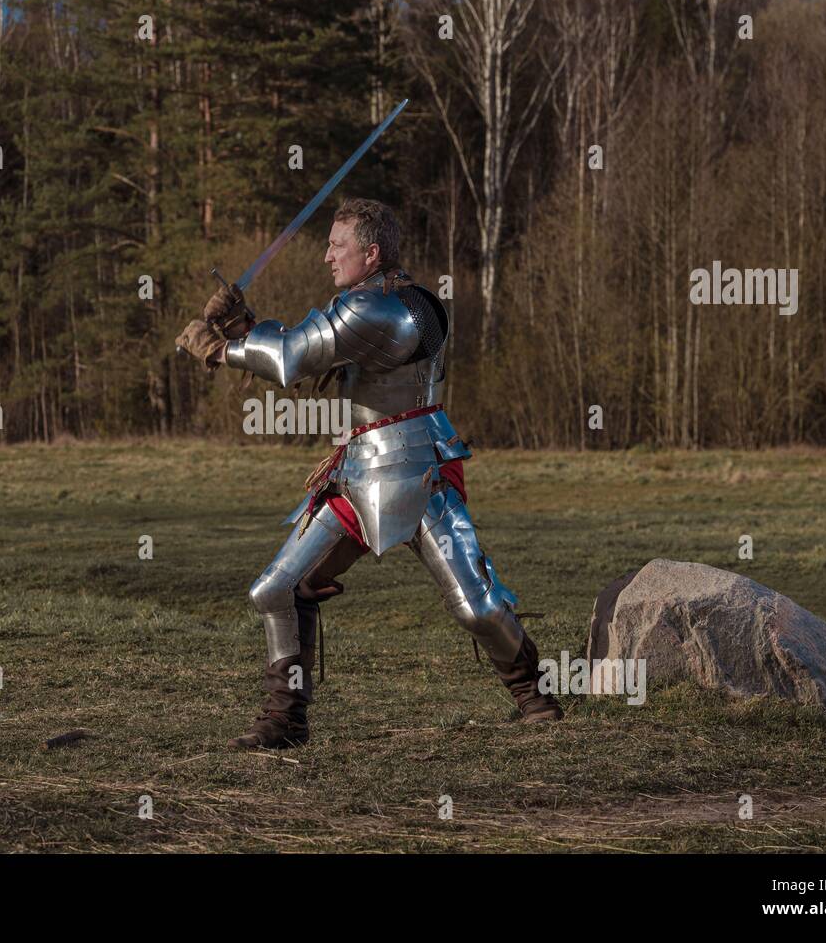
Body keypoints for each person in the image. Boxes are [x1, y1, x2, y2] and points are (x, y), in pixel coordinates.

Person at [176, 198, 563, 750]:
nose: (328, 257)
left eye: (338, 246)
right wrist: (243, 327)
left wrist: (220, 348)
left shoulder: (387, 309)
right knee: (277, 589)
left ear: (372, 252)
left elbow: (289, 357)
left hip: (418, 466)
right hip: (357, 470)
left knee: (476, 605)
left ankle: (537, 697)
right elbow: (307, 354)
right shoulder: (369, 306)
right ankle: (285, 720)